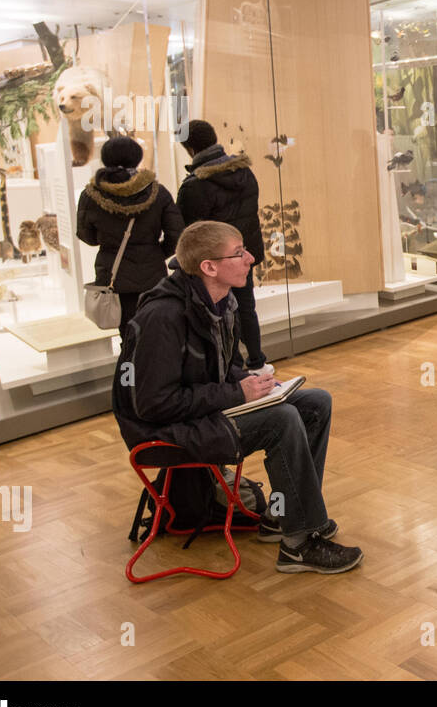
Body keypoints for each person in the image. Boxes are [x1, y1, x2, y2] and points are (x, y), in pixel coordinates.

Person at [112, 220, 363, 574]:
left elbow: (225, 369)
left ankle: (282, 514)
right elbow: (153, 405)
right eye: (238, 253)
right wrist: (236, 392)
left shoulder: (221, 302)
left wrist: (254, 384)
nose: (250, 258)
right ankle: (300, 543)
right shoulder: (162, 317)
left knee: (315, 403)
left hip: (199, 415)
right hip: (163, 434)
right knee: (282, 420)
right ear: (209, 267)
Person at [175, 119, 272, 375]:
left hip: (214, 261)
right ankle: (257, 361)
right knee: (245, 306)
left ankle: (232, 368)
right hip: (242, 252)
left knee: (218, 313)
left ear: (189, 149)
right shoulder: (244, 172)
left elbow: (190, 233)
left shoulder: (194, 186)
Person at [76, 136, 184, 340]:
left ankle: (130, 370)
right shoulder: (157, 192)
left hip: (113, 276)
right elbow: (176, 234)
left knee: (127, 335)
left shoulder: (90, 195)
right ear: (137, 158)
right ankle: (156, 369)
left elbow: (87, 236)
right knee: (157, 331)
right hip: (152, 273)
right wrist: (155, 252)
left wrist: (109, 240)